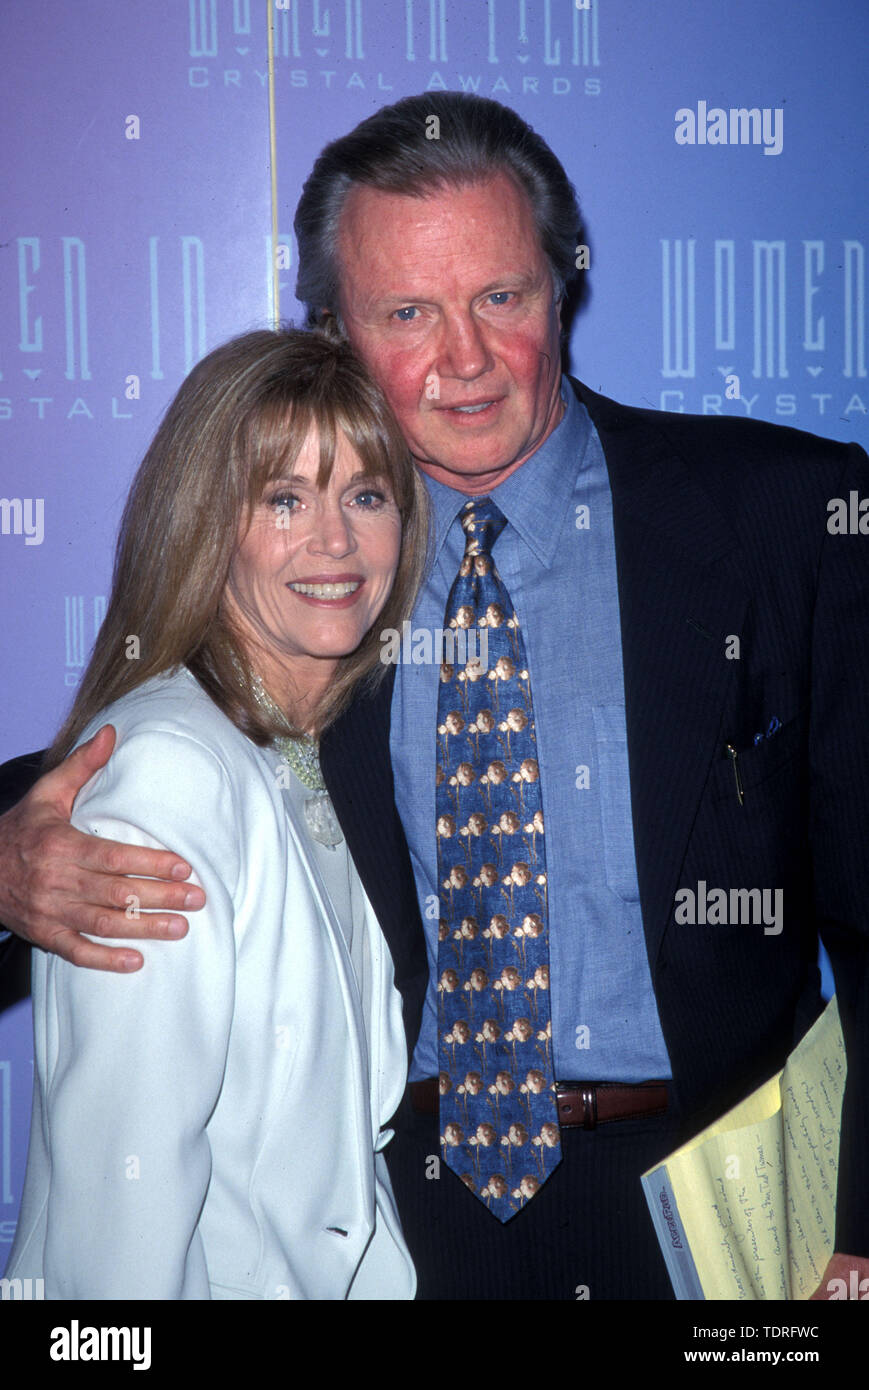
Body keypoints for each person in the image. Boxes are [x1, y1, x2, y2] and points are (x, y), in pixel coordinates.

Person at [2, 93, 868, 1300]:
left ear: (561, 288)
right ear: (337, 330)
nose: (462, 359)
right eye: (406, 311)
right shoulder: (317, 564)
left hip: (718, 1210)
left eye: (499, 298)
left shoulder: (788, 519)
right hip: (398, 1226)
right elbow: (162, 723)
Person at [2, 326, 429, 1299]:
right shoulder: (169, 774)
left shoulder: (308, 750)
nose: (336, 541)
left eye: (365, 494)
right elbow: (120, 1208)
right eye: (284, 498)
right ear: (205, 524)